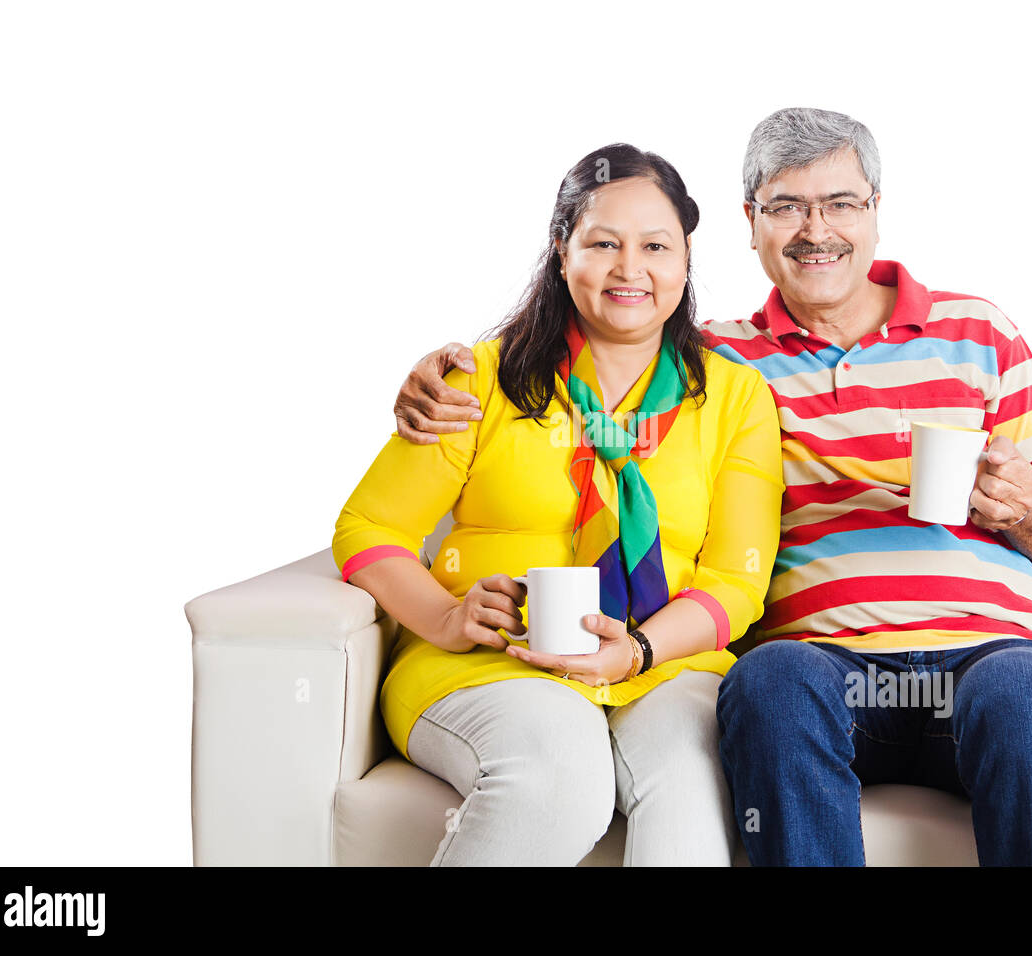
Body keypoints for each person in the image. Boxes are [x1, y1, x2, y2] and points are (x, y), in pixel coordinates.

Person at [392, 108, 1032, 867]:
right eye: (786, 206)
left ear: (876, 213)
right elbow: (587, 345)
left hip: (990, 655)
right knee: (770, 680)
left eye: (840, 203)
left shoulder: (979, 332)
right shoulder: (716, 368)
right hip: (821, 666)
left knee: (1029, 690)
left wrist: (1026, 504)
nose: (814, 229)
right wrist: (438, 374)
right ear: (749, 222)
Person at [333, 143, 784, 866]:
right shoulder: (479, 379)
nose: (629, 268)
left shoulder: (736, 399)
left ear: (687, 258)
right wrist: (445, 617)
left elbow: (737, 579)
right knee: (559, 777)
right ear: (560, 250)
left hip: (665, 665)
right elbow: (369, 525)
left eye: (655, 246)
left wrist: (637, 650)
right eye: (602, 243)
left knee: (696, 786)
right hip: (493, 662)